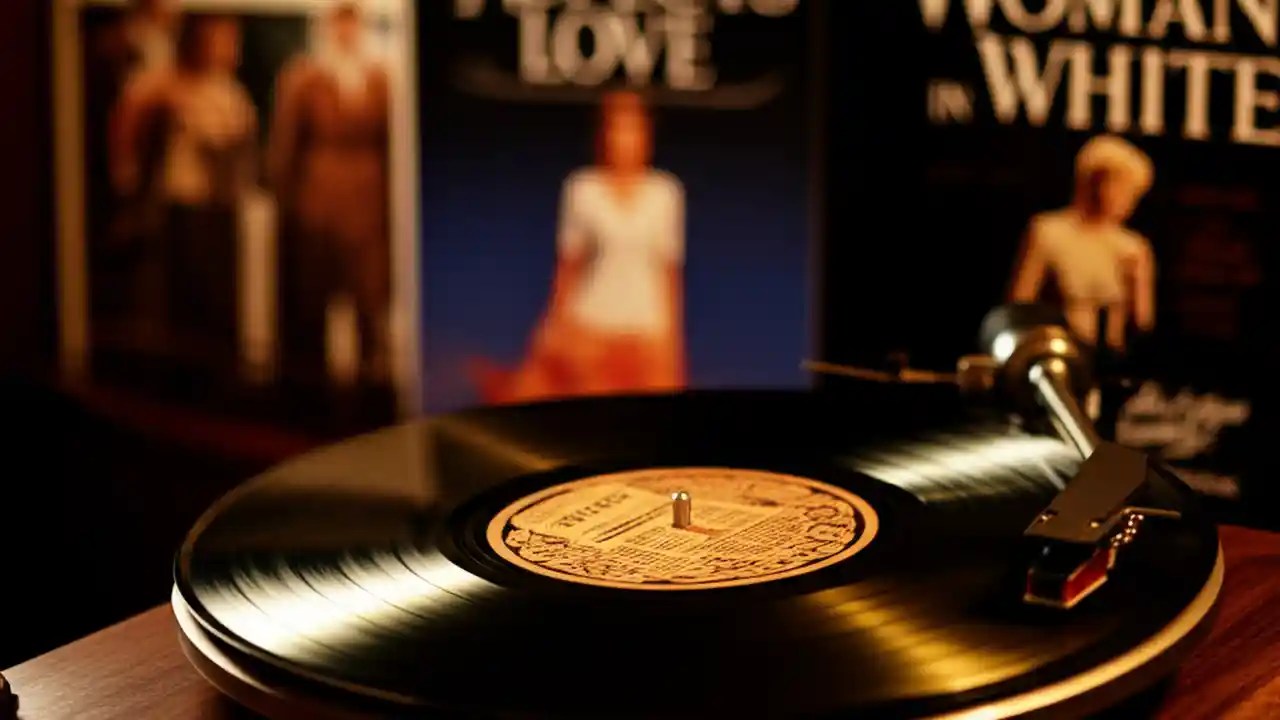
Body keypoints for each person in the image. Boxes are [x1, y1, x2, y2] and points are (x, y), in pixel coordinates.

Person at [471, 90, 687, 404]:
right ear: (603, 134)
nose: (624, 138)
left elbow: (669, 272)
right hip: (592, 331)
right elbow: (569, 266)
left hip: (647, 336)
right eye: (616, 128)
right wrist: (551, 328)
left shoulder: (665, 192)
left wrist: (673, 346)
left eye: (632, 128)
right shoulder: (582, 188)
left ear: (646, 134)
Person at [110, 15, 258, 368]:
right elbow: (131, 109)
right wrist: (127, 168)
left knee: (220, 303)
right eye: (221, 39)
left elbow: (236, 141)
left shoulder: (229, 91)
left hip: (220, 206)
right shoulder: (173, 84)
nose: (229, 48)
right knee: (187, 299)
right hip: (186, 208)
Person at [270, 2, 392, 388]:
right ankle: (310, 393)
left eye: (352, 22)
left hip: (369, 205)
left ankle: (373, 391)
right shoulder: (305, 77)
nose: (345, 31)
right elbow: (285, 146)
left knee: (369, 302)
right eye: (338, 22)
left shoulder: (379, 79)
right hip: (318, 203)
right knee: (314, 302)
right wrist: (284, 201)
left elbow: (390, 146)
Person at [1009, 135, 1156, 352]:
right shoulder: (1048, 232)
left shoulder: (1133, 247)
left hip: (1110, 357)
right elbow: (1020, 306)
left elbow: (1143, 324)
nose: (1127, 200)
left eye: (1133, 193)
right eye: (1122, 187)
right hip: (1059, 351)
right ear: (1094, 182)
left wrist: (1135, 283)